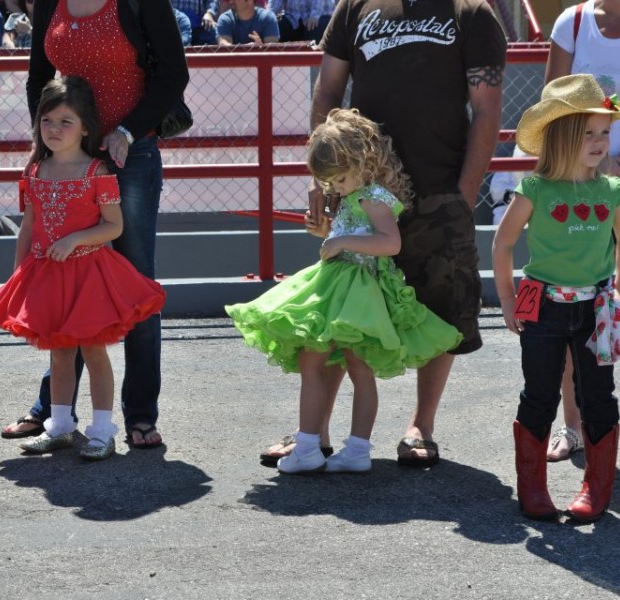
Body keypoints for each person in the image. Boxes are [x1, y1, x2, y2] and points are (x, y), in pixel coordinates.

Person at [260, 0, 506, 466]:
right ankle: (313, 434)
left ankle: (421, 426)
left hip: (438, 189)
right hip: (360, 186)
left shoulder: (472, 12)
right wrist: (324, 179)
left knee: (442, 307)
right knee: (337, 308)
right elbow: (327, 90)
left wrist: (464, 195)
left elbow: (486, 109)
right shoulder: (355, 6)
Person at [227, 109, 463, 474]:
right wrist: (328, 234)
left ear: (361, 162)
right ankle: (314, 444)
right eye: (329, 183)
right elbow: (357, 239)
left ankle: (351, 449)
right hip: (341, 286)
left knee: (355, 365)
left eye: (338, 180)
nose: (334, 189)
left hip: (357, 290)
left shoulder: (373, 197)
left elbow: (390, 243)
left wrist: (341, 242)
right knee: (318, 360)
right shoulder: (356, 196)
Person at [0, 0, 189, 449]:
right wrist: (45, 146)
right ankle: (55, 414)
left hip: (131, 153)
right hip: (65, 158)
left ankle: (140, 415)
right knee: (65, 281)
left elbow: (173, 74)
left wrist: (125, 132)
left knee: (135, 284)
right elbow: (39, 77)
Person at [0, 77, 165, 458]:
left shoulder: (97, 172)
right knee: (60, 353)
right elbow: (29, 227)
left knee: (93, 351)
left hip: (88, 276)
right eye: (47, 120)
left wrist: (73, 240)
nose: (54, 129)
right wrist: (19, 275)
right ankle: (61, 425)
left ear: (85, 127)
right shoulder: (36, 171)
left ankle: (102, 431)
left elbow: (113, 226)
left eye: (66, 121)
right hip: (47, 276)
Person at [493, 74, 620, 522]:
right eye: (588, 132)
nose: (600, 141)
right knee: (539, 395)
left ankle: (596, 491)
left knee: (599, 398)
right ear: (562, 136)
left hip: (597, 311)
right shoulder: (534, 190)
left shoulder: (613, 190)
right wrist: (508, 300)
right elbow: (502, 244)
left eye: (605, 132)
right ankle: (533, 491)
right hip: (541, 307)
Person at [539, 0, 620, 462]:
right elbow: (554, 108)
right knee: (576, 310)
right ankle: (571, 427)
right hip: (580, 189)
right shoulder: (572, 20)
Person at [266, 0, 335, 43]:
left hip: (319, 15)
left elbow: (318, 5)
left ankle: (315, 61)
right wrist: (267, 19)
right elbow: (273, 7)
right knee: (276, 27)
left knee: (316, 28)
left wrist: (315, 15)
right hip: (294, 18)